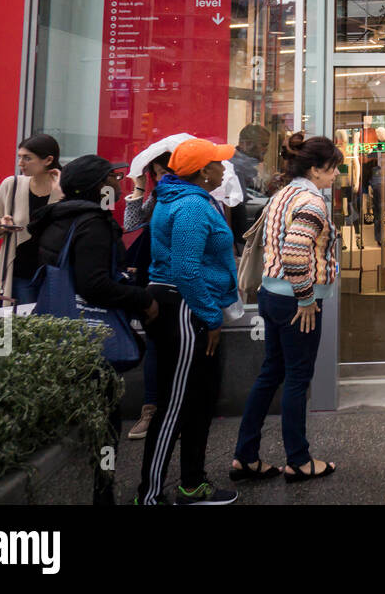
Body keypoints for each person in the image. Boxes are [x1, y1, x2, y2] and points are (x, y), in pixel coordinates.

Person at [28, 154, 159, 504]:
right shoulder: (94, 224)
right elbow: (93, 284)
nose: (118, 185)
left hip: (61, 333)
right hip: (91, 338)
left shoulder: (59, 217)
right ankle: (103, 494)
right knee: (105, 425)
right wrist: (142, 299)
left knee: (83, 421)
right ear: (96, 187)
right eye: (112, 179)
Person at [134, 138, 241, 505]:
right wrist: (211, 316)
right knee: (175, 404)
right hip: (185, 309)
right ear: (202, 171)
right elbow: (185, 269)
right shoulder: (192, 206)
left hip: (190, 307)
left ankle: (193, 484)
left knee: (200, 399)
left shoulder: (189, 199)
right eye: (218, 163)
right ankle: (148, 496)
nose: (225, 169)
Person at [233, 133, 340, 484]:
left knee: (270, 374)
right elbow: (296, 252)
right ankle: (298, 459)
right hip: (296, 301)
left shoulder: (283, 193)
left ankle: (245, 455)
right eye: (332, 168)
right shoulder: (311, 200)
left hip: (271, 293)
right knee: (297, 379)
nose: (336, 174)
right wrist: (307, 298)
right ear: (315, 169)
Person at [122, 148, 172, 441]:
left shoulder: (189, 196)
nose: (162, 178)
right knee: (154, 344)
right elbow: (131, 224)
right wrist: (140, 187)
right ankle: (151, 409)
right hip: (151, 277)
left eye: (166, 171)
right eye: (158, 173)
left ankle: (172, 410)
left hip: (176, 279)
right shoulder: (156, 196)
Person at [0, 134, 63, 305]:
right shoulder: (12, 185)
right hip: (20, 272)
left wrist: (61, 193)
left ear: (48, 160)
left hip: (56, 273)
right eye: (20, 157)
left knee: (53, 328)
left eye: (27, 158)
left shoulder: (65, 187)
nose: (21, 163)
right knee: (25, 326)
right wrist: (0, 225)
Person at [230, 123, 272, 253]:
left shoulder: (246, 165)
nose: (266, 150)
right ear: (246, 144)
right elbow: (237, 208)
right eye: (263, 145)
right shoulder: (238, 167)